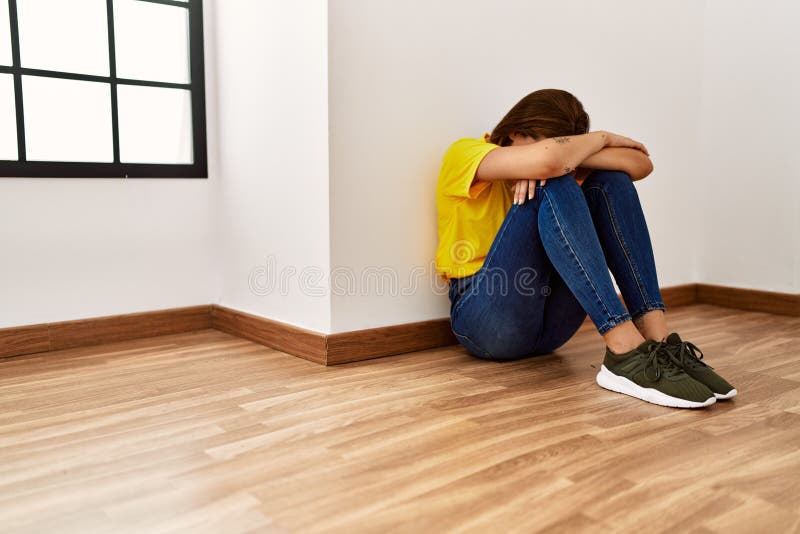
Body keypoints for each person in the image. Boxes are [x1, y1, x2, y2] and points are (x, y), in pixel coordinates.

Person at [435, 89, 736, 409]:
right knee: (551, 179)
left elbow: (640, 164)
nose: (562, 158)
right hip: (485, 320)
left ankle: (659, 340)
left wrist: (566, 156)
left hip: (552, 331)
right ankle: (623, 349)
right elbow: (550, 161)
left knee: (611, 181)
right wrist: (600, 139)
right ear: (515, 133)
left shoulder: (559, 159)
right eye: (549, 144)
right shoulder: (466, 153)